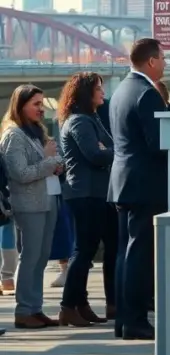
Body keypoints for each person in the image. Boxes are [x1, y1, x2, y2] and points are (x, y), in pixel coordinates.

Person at [108, 38, 167, 340]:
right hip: (144, 184)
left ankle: (124, 320)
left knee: (124, 253)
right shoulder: (147, 93)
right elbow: (158, 143)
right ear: (152, 61)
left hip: (122, 182)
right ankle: (135, 321)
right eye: (163, 58)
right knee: (140, 254)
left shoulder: (120, 90)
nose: (166, 64)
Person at [56, 72, 118, 327]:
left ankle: (81, 304)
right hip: (85, 193)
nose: (103, 93)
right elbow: (96, 154)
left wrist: (109, 150)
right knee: (84, 251)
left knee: (99, 248)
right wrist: (116, 151)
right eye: (98, 89)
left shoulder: (90, 118)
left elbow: (107, 147)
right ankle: (68, 305)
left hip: (97, 192)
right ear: (86, 93)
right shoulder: (80, 122)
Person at [0, 85, 62, 329]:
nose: (41, 109)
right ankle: (24, 310)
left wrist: (57, 164)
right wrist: (49, 162)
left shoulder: (36, 131)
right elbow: (20, 173)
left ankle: (35, 308)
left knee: (42, 257)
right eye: (36, 104)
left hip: (47, 200)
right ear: (21, 105)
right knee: (30, 257)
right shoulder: (14, 136)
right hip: (29, 204)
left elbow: (50, 161)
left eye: (41, 103)